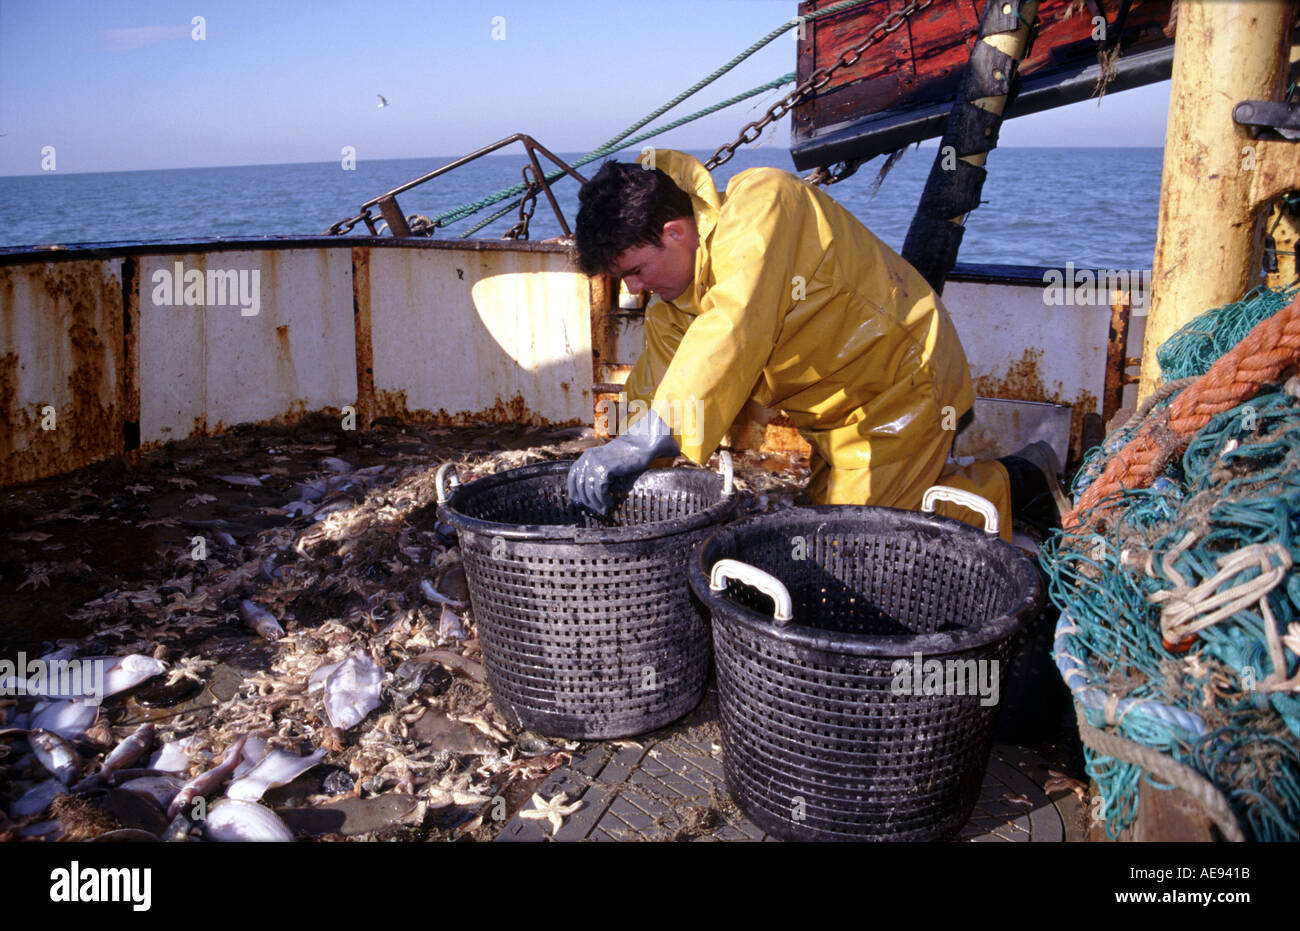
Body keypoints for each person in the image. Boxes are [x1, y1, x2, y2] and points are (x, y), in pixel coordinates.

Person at [566, 148, 1037, 539]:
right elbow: (657, 388)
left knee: (861, 542)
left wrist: (646, 439)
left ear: (675, 232)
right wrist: (621, 461)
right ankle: (1008, 478)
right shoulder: (672, 306)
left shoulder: (762, 203)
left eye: (634, 271)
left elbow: (733, 323)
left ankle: (1015, 485)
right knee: (818, 522)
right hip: (830, 418)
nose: (631, 290)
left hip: (901, 387)